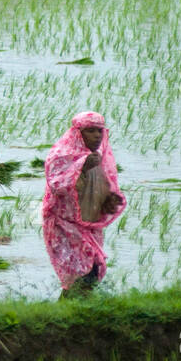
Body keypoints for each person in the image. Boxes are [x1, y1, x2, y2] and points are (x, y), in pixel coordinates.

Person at [42, 111, 126, 297]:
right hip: (64, 223)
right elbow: (57, 185)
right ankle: (71, 311)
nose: (97, 135)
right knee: (80, 272)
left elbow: (102, 186)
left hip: (89, 223)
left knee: (93, 269)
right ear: (78, 133)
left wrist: (108, 200)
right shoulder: (61, 154)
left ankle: (73, 311)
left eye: (100, 131)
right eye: (91, 131)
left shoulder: (98, 157)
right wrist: (81, 167)